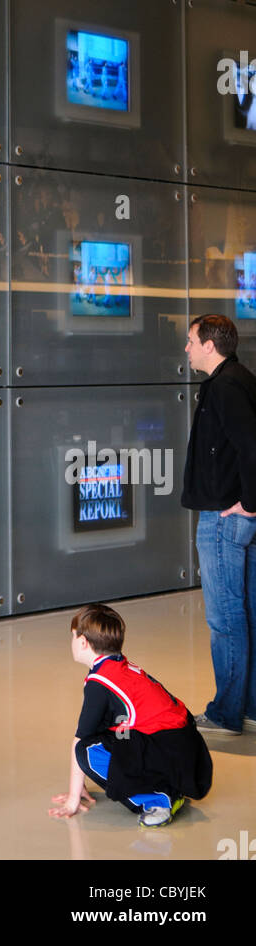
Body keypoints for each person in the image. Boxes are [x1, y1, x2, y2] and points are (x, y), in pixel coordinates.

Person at [48, 604, 212, 828]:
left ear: (83, 642)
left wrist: (73, 797)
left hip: (171, 752)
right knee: (110, 734)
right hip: (186, 752)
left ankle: (160, 799)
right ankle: (166, 787)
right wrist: (82, 781)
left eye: (73, 637)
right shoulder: (118, 665)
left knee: (85, 751)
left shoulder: (99, 684)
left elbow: (80, 739)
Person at [183, 313, 256, 734]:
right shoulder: (240, 379)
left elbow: (252, 448)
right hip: (234, 512)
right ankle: (248, 706)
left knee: (225, 618)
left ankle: (227, 713)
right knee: (246, 611)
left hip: (224, 516)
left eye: (191, 341)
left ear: (210, 345)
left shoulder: (226, 387)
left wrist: (249, 502)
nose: (188, 348)